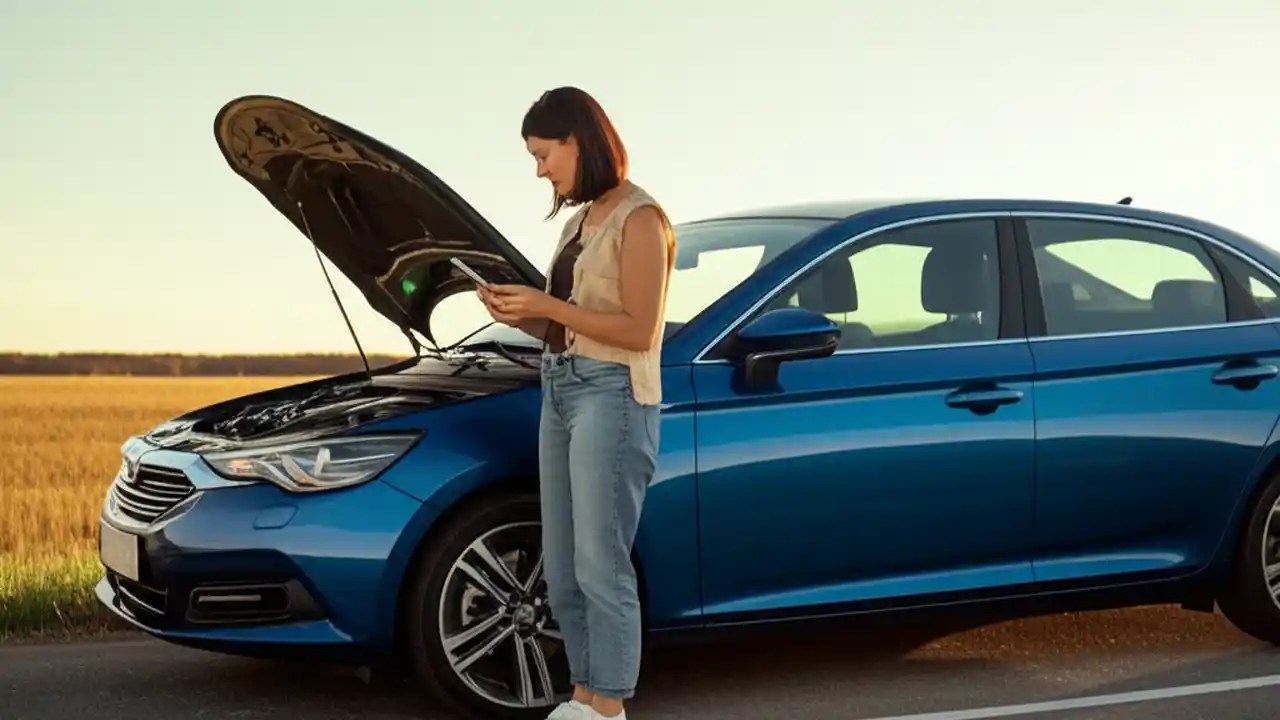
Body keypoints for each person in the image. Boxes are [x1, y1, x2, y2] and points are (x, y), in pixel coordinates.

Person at [477, 86, 674, 720]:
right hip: (560, 386)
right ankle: (583, 698)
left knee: (600, 564)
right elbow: (567, 325)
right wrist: (518, 311)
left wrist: (546, 305)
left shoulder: (640, 219)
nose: (539, 170)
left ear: (578, 142)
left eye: (543, 154)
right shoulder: (578, 221)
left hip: (612, 395)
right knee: (560, 568)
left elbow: (640, 330)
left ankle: (609, 707)